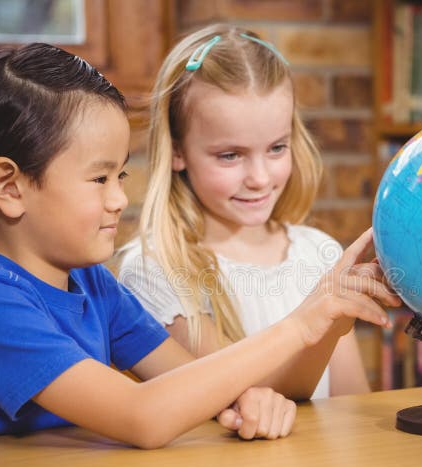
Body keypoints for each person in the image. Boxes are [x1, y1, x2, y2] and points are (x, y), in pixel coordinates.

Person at [0, 43, 399, 449]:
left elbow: (193, 381)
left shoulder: (92, 284)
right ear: (10, 187)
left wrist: (250, 399)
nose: (119, 199)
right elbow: (142, 416)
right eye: (99, 178)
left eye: (121, 175)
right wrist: (299, 324)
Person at [118, 24, 371, 400]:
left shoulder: (318, 251)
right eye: (230, 155)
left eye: (276, 148)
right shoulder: (157, 270)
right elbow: (249, 400)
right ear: (177, 151)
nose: (259, 177)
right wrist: (322, 321)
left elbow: (352, 404)